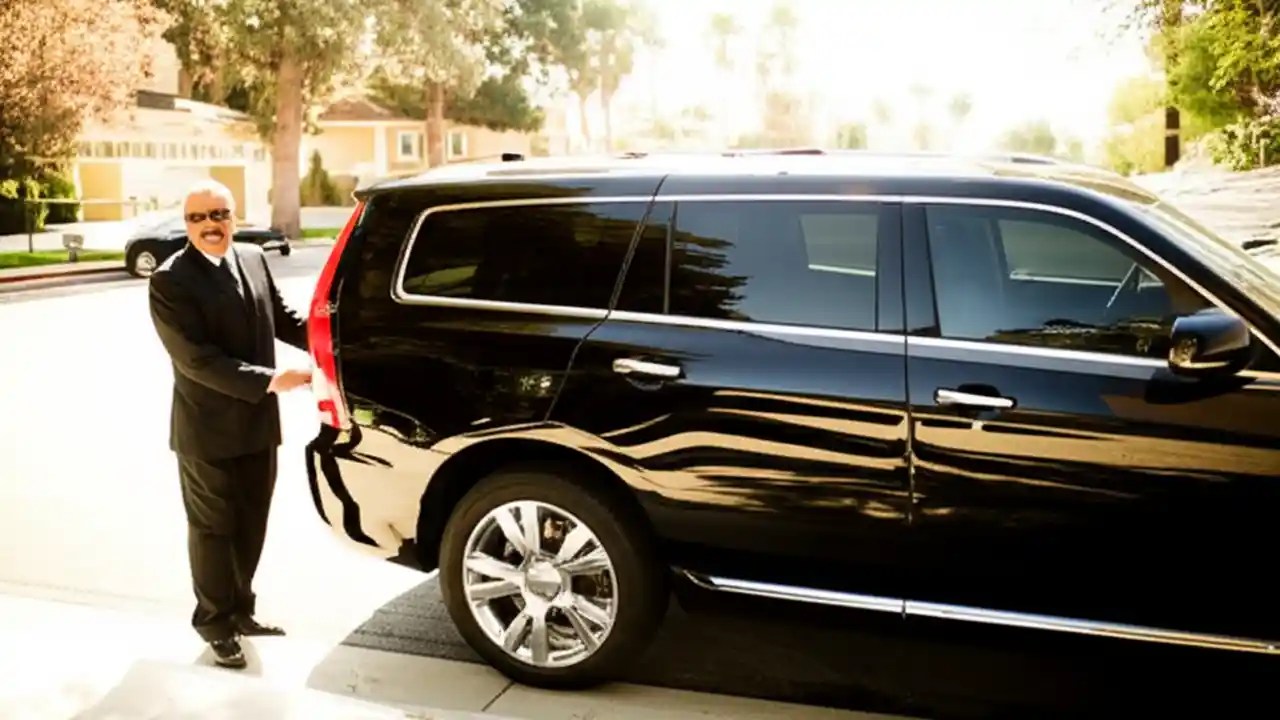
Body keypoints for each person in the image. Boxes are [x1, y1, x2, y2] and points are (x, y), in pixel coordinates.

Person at [148, 180, 312, 669]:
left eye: (218, 214)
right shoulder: (170, 281)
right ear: (186, 225)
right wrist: (272, 379)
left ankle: (242, 612)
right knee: (214, 529)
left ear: (234, 217)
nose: (209, 225)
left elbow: (283, 319)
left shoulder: (253, 258)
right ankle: (215, 623)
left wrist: (332, 343)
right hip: (207, 431)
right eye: (197, 218)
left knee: (251, 524)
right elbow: (196, 360)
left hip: (258, 424)